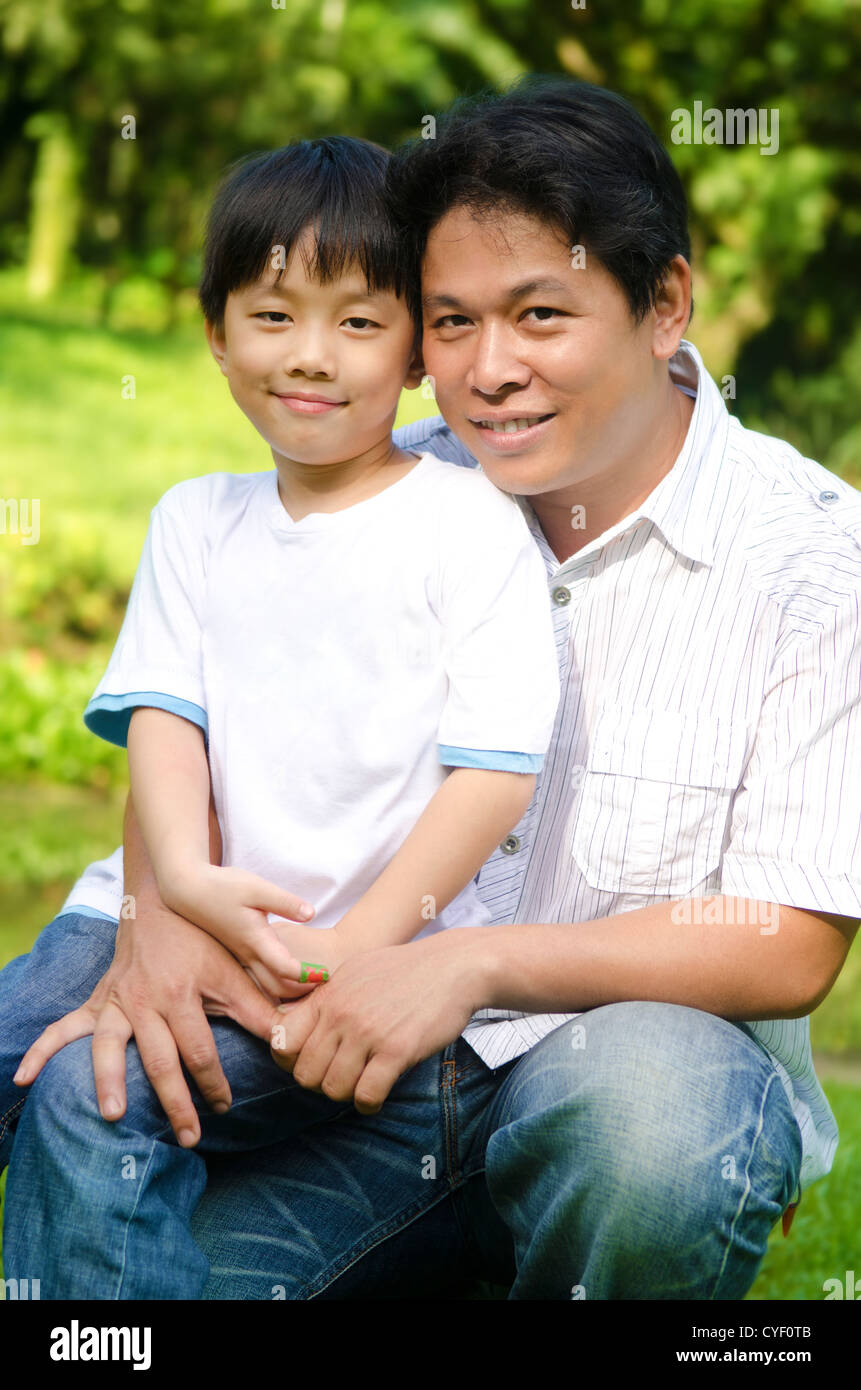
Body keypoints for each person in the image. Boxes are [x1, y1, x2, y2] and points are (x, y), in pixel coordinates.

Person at [5, 77, 860, 1300]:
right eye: (452, 322)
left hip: (595, 1070)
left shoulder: (819, 560)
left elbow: (785, 943)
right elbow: (189, 700)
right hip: (348, 1085)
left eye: (540, 313)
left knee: (654, 1124)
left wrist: (468, 965)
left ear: (665, 302)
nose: (491, 370)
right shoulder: (375, 478)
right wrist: (158, 916)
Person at [0, 133, 559, 1293]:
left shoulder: (467, 526)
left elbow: (494, 772)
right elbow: (165, 718)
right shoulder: (196, 518)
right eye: (272, 314)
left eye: (359, 322)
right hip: (156, 914)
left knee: (92, 1095)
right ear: (214, 331)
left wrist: (351, 955)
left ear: (416, 351)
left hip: (347, 956)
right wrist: (185, 891)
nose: (311, 357)